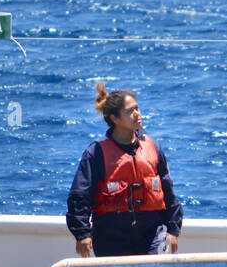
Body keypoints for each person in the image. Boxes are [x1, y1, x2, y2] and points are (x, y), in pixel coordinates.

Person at [67, 83, 183, 256]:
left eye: (137, 108)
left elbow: (167, 192)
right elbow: (80, 196)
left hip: (151, 233)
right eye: (130, 111)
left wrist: (173, 231)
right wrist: (82, 234)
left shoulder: (153, 148)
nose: (137, 114)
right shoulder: (95, 154)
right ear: (114, 118)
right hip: (110, 235)